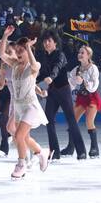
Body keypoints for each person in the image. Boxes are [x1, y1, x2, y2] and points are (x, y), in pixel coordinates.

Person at [0, 25, 48, 179]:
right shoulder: (14, 64)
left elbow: (34, 65)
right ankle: (41, 152)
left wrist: (28, 47)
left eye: (22, 50)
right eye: (18, 50)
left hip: (30, 106)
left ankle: (21, 165)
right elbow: (1, 53)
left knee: (19, 136)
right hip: (19, 106)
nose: (19, 53)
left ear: (28, 51)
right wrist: (5, 36)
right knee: (24, 138)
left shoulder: (34, 66)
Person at [36, 30, 87, 160]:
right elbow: (42, 73)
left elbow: (57, 68)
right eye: (45, 41)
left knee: (71, 120)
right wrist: (32, 80)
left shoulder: (60, 54)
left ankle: (81, 151)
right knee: (48, 120)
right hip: (52, 92)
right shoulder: (44, 56)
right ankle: (55, 151)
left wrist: (51, 77)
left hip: (64, 90)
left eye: (49, 41)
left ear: (55, 43)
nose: (46, 43)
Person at [67, 43, 101, 158]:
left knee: (89, 122)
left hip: (92, 97)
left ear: (88, 55)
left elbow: (95, 83)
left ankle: (94, 148)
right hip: (81, 97)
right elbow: (71, 83)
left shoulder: (93, 68)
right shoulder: (76, 69)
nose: (80, 54)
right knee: (72, 121)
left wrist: (84, 82)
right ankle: (70, 147)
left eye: (82, 53)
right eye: (79, 52)